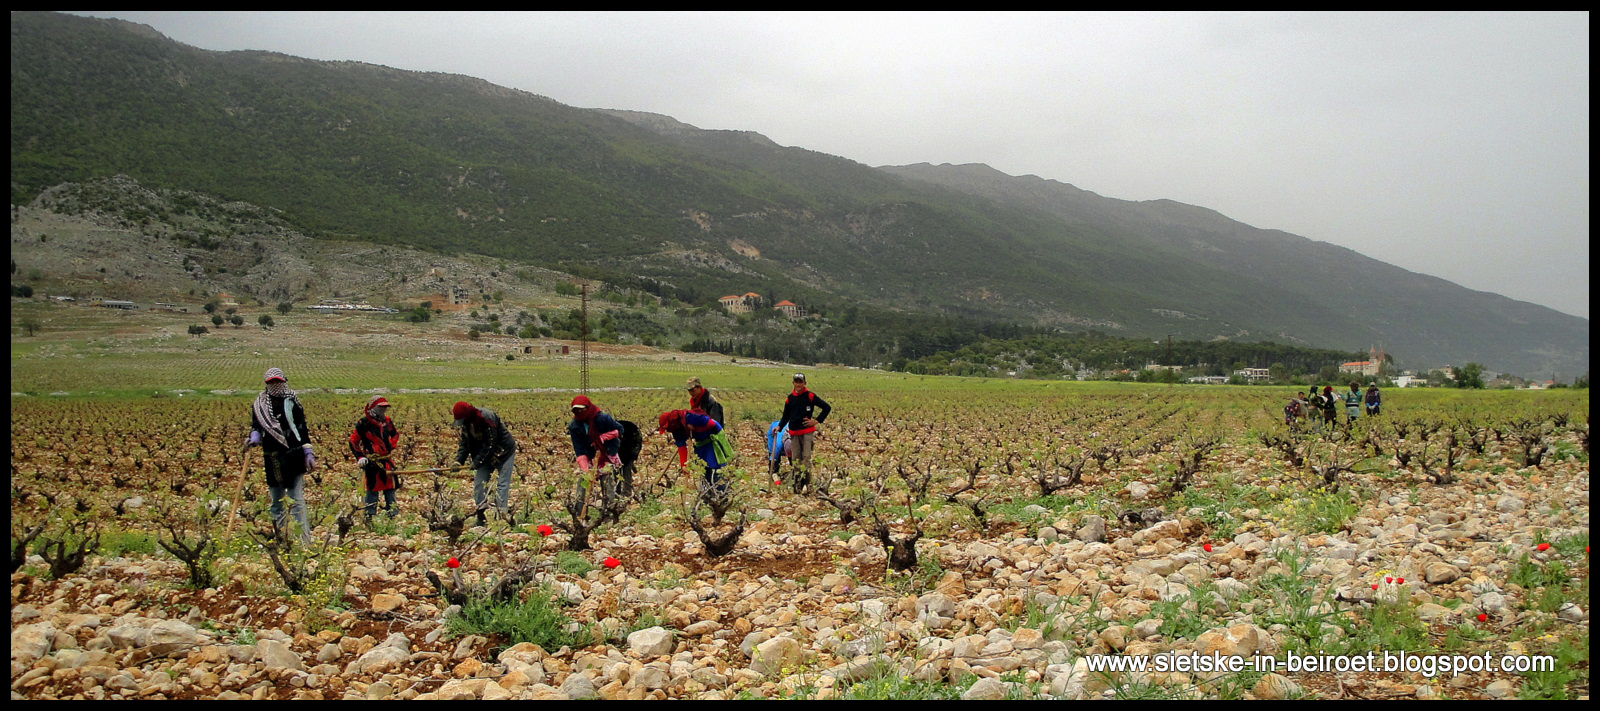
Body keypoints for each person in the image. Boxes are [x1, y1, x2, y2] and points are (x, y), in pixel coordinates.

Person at [246, 367, 314, 541]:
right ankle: (281, 537)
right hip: (272, 456)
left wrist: (308, 451)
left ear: (284, 381)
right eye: (271, 382)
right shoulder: (259, 404)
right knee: (277, 501)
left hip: (294, 454)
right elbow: (256, 425)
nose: (275, 385)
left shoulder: (292, 401)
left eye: (278, 381)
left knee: (296, 499)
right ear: (267, 384)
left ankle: (303, 539)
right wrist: (254, 437)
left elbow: (301, 428)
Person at [452, 401, 517, 524]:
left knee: (502, 484)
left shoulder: (487, 418)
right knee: (479, 484)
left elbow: (490, 444)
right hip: (484, 455)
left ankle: (501, 516)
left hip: (504, 453)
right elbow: (465, 444)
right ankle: (481, 515)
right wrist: (458, 461)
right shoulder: (467, 425)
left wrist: (477, 462)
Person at [658, 408, 735, 494]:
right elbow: (681, 446)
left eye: (667, 427)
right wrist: (684, 465)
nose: (668, 430)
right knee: (704, 468)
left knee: (715, 467)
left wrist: (696, 428)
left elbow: (712, 424)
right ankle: (708, 496)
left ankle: (722, 494)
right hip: (701, 444)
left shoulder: (690, 418)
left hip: (713, 439)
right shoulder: (675, 429)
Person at [775, 373, 830, 493]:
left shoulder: (810, 396)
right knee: (796, 459)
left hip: (807, 432)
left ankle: (808, 485)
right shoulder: (790, 399)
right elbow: (786, 416)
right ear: (793, 383)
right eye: (796, 382)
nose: (798, 384)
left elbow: (826, 407)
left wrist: (816, 421)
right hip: (794, 432)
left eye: (800, 382)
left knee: (806, 458)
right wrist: (779, 427)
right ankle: (797, 485)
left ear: (804, 383)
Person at [348, 396, 399, 521]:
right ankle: (369, 516)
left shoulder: (387, 421)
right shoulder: (363, 423)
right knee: (372, 489)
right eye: (380, 408)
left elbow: (395, 435)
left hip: (386, 461)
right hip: (372, 462)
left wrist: (390, 446)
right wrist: (360, 456)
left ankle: (392, 514)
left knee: (390, 488)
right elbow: (353, 441)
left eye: (384, 408)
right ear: (373, 408)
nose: (383, 410)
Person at [568, 395, 626, 500]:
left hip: (607, 453)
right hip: (589, 454)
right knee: (584, 481)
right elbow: (578, 448)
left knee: (607, 481)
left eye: (582, 410)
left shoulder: (602, 418)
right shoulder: (574, 426)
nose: (580, 413)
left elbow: (620, 429)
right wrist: (585, 469)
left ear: (588, 408)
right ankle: (579, 510)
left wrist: (603, 437)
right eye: (576, 411)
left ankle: (609, 508)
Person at [765, 419, 793, 484]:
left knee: (793, 460)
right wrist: (772, 466)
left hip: (790, 432)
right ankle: (774, 475)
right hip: (773, 433)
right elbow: (773, 456)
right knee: (775, 457)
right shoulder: (778, 444)